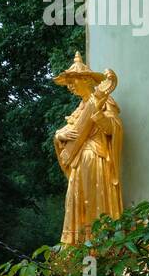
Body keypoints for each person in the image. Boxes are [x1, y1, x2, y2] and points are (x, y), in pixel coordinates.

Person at [53, 54, 123, 245]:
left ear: (86, 80)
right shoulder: (80, 107)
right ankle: (77, 248)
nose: (70, 87)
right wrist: (59, 136)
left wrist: (99, 117)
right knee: (75, 201)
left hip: (94, 158)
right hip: (78, 161)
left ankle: (100, 246)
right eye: (68, 83)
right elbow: (69, 133)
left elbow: (113, 129)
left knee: (93, 201)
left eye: (73, 81)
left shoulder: (103, 101)